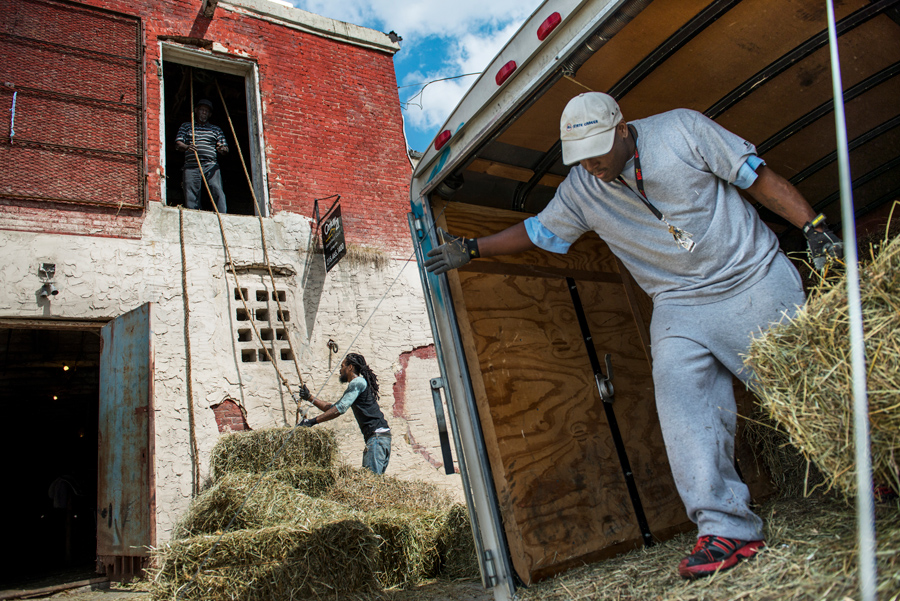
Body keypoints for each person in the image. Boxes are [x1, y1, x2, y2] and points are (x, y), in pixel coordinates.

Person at [424, 92, 843, 579]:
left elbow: (757, 177)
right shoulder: (584, 187)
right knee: (682, 403)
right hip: (679, 305)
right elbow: (539, 230)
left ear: (623, 128)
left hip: (750, 276)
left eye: (599, 150)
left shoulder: (682, 128)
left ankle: (875, 467)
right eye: (580, 157)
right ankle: (725, 528)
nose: (592, 164)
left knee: (807, 390)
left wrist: (813, 226)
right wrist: (472, 248)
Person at [298, 353, 392, 474]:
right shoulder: (356, 386)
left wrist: (311, 422)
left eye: (342, 366)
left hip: (377, 439)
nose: (340, 369)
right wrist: (309, 397)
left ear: (350, 367)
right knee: (374, 483)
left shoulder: (358, 382)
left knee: (371, 484)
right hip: (380, 438)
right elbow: (332, 408)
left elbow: (339, 409)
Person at [175, 98, 229, 213]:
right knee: (191, 193)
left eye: (206, 111)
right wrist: (187, 147)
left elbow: (225, 148)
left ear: (209, 114)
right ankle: (194, 215)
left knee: (216, 188)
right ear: (196, 110)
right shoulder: (187, 126)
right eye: (201, 110)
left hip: (211, 165)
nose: (204, 112)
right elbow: (178, 143)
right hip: (191, 165)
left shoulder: (216, 129)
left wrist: (221, 149)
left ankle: (222, 215)